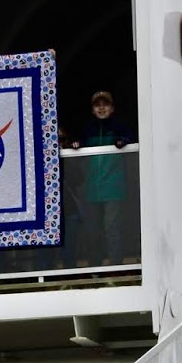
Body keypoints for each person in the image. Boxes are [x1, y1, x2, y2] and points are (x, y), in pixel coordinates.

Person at [68, 90, 134, 267]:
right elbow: (77, 144)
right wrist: (76, 144)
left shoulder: (119, 127)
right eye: (98, 105)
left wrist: (123, 141)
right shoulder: (88, 129)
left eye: (105, 104)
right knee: (93, 230)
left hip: (113, 187)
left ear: (112, 109)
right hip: (92, 189)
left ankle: (115, 268)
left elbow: (129, 137)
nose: (102, 108)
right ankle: (95, 267)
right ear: (93, 110)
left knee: (112, 228)